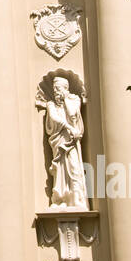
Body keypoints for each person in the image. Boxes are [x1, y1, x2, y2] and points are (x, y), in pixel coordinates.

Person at [36, 76, 88, 209]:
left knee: (74, 168)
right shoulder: (50, 104)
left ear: (66, 88)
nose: (55, 92)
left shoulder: (74, 100)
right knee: (59, 170)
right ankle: (60, 199)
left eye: (58, 89)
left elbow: (72, 114)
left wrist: (65, 100)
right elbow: (54, 118)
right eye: (54, 89)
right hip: (59, 142)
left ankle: (77, 198)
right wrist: (69, 127)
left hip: (72, 142)